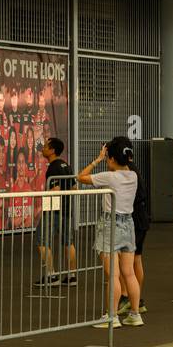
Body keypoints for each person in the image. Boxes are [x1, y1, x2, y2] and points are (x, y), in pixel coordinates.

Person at [78, 136, 143, 327]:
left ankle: (112, 316)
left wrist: (97, 160)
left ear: (112, 158)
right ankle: (135, 313)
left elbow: (81, 177)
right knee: (128, 273)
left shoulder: (109, 177)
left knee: (112, 275)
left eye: (107, 158)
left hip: (110, 224)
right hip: (128, 224)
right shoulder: (133, 175)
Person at [34, 138, 77, 287]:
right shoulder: (66, 166)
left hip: (53, 209)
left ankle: (52, 276)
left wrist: (42, 195)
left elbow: (56, 190)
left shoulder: (53, 167)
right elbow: (74, 188)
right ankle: (72, 276)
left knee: (41, 240)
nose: (43, 148)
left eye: (45, 146)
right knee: (68, 241)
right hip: (66, 209)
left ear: (52, 150)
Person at [117, 146, 149, 317]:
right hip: (141, 218)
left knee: (126, 260)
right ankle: (136, 298)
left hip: (134, 219)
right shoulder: (133, 170)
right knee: (136, 259)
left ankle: (126, 296)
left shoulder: (127, 172)